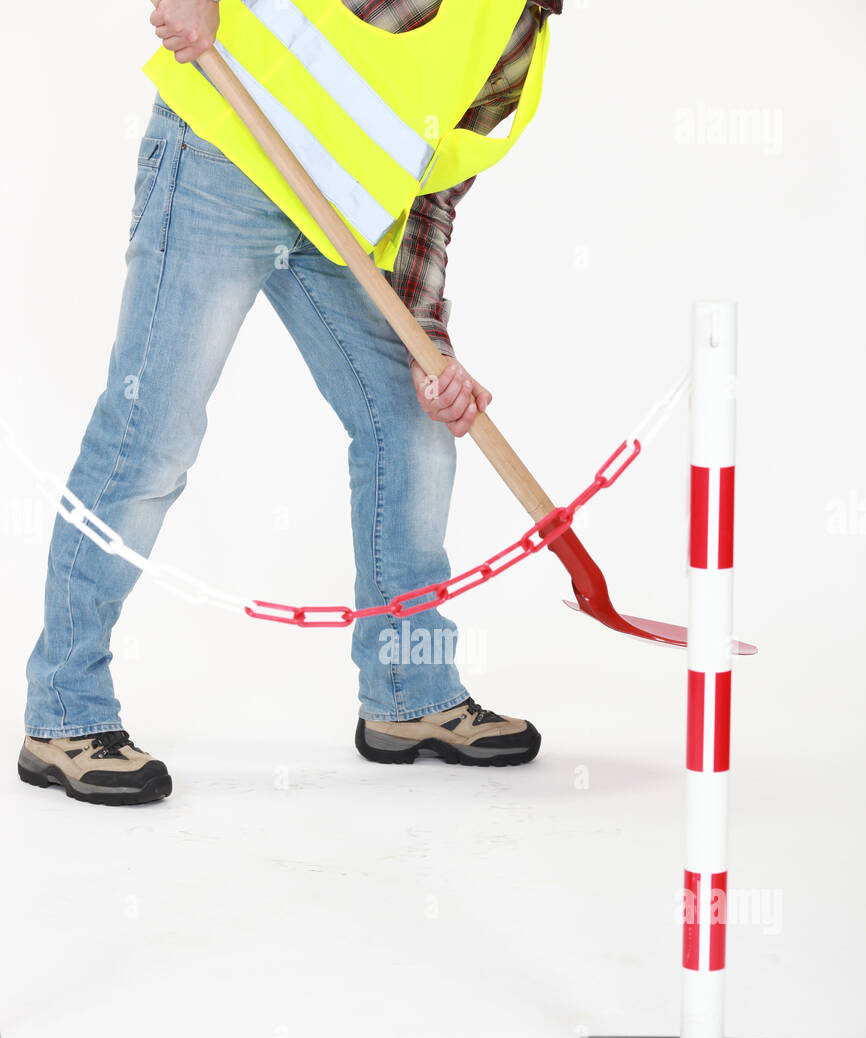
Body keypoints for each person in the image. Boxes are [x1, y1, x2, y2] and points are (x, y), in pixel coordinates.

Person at [19, 0, 560, 807]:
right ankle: (63, 715)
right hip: (220, 154)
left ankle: (410, 695)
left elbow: (432, 194)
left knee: (409, 424)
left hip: (336, 219)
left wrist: (429, 344)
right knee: (150, 439)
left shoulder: (515, 35)